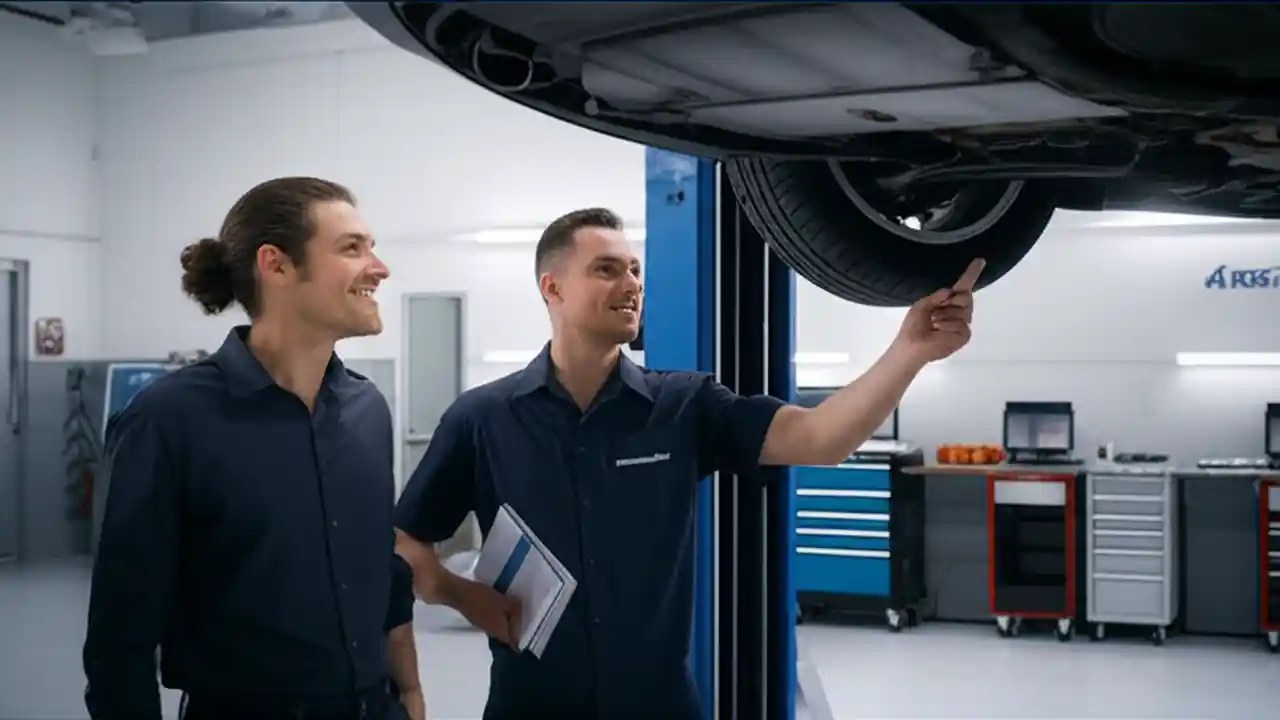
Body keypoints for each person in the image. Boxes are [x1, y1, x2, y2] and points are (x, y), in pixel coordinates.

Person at [393, 207, 984, 719]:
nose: (630, 283)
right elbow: (405, 543)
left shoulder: (682, 405)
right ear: (552, 288)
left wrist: (909, 352)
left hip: (659, 705)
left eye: (634, 269)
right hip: (529, 705)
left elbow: (818, 439)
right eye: (606, 269)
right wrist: (459, 593)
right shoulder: (482, 419)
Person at [83, 177, 423, 720]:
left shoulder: (367, 410)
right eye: (352, 248)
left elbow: (382, 573)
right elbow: (119, 639)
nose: (378, 267)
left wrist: (410, 695)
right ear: (277, 265)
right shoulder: (167, 421)